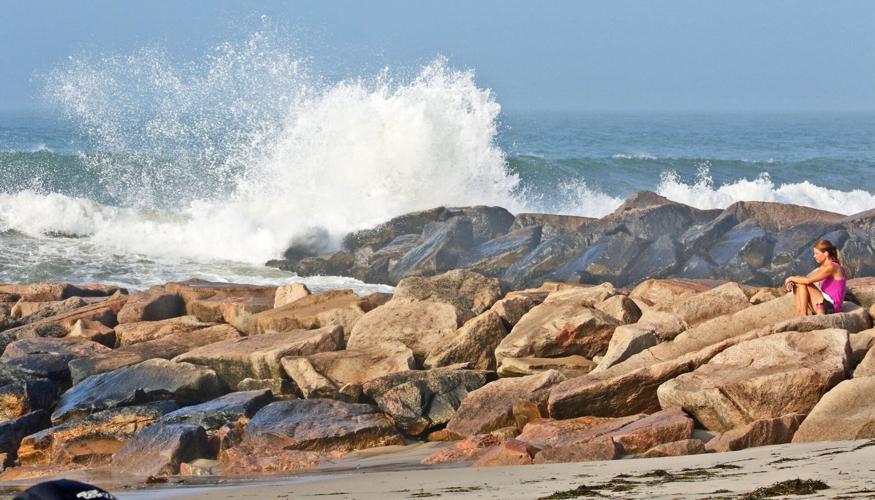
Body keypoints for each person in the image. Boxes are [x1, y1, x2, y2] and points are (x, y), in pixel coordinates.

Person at [784, 239, 847, 317]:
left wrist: (790, 278)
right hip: (823, 305)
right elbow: (805, 278)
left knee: (801, 282)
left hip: (831, 308)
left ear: (826, 253)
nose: (814, 256)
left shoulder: (832, 267)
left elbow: (807, 281)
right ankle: (799, 313)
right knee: (799, 280)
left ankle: (803, 314)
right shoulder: (824, 267)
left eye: (816, 253)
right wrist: (794, 280)